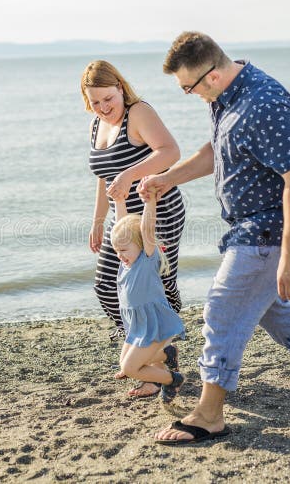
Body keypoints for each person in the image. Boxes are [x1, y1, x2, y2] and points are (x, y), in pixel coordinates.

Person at [139, 32, 290, 445]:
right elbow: (218, 150)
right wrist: (166, 179)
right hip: (247, 227)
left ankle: (209, 414)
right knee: (269, 309)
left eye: (188, 88)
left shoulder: (263, 103)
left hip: (268, 230)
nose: (190, 95)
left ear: (210, 76)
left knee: (223, 310)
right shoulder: (226, 96)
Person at [82, 60, 187, 388]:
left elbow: (170, 152)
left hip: (157, 209)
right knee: (106, 287)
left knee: (160, 283)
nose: (103, 107)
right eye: (95, 102)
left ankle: (156, 357)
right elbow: (104, 178)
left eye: (108, 99)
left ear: (120, 88)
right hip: (121, 215)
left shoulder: (138, 112)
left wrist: (129, 175)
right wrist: (98, 221)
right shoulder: (96, 125)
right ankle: (148, 354)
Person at [109, 187, 185, 403]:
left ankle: (172, 380)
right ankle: (168, 355)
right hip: (137, 325)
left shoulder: (146, 258)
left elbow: (146, 228)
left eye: (123, 250)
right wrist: (119, 200)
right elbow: (121, 227)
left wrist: (150, 202)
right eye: (117, 251)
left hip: (154, 324)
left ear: (141, 244)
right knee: (126, 363)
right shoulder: (127, 261)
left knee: (130, 367)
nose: (120, 255)